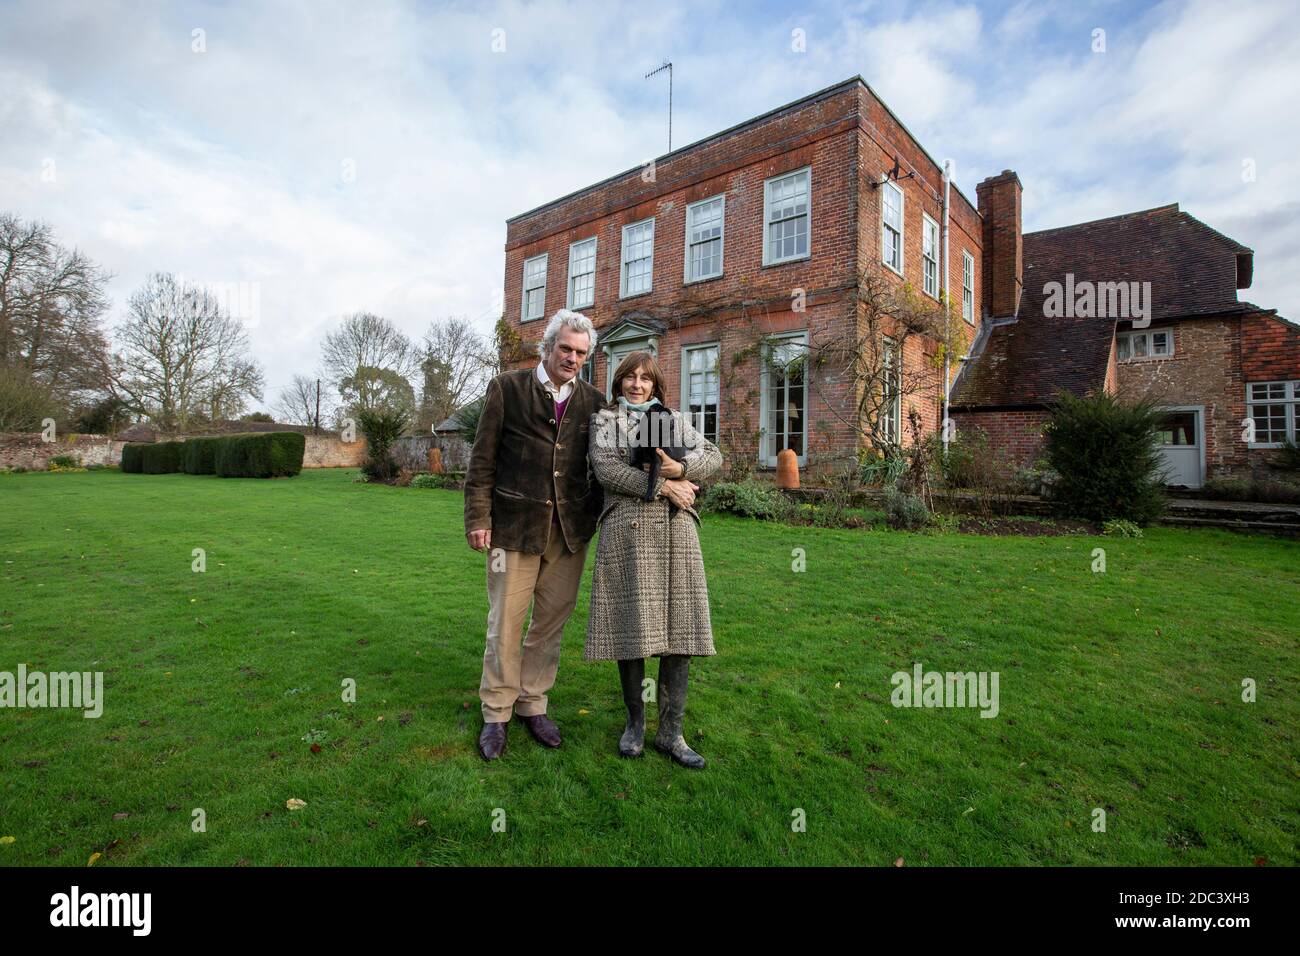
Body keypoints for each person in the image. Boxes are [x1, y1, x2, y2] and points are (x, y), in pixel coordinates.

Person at [463, 309, 605, 761]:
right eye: (566, 348)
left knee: (550, 624)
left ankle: (533, 702)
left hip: (569, 534)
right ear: (547, 346)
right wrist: (478, 518)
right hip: (513, 529)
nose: (573, 358)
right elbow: (482, 460)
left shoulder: (595, 401)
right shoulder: (506, 388)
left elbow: (605, 465)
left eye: (581, 353)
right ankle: (497, 712)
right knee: (505, 622)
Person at [585, 351, 723, 768]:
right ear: (619, 382)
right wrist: (664, 487)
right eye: (629, 377)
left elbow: (714, 457)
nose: (637, 385)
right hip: (627, 531)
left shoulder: (672, 418)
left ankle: (671, 733)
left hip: (676, 533)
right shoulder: (606, 421)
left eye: (645, 379)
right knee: (632, 625)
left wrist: (681, 469)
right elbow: (607, 470)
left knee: (679, 628)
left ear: (656, 384)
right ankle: (635, 724)